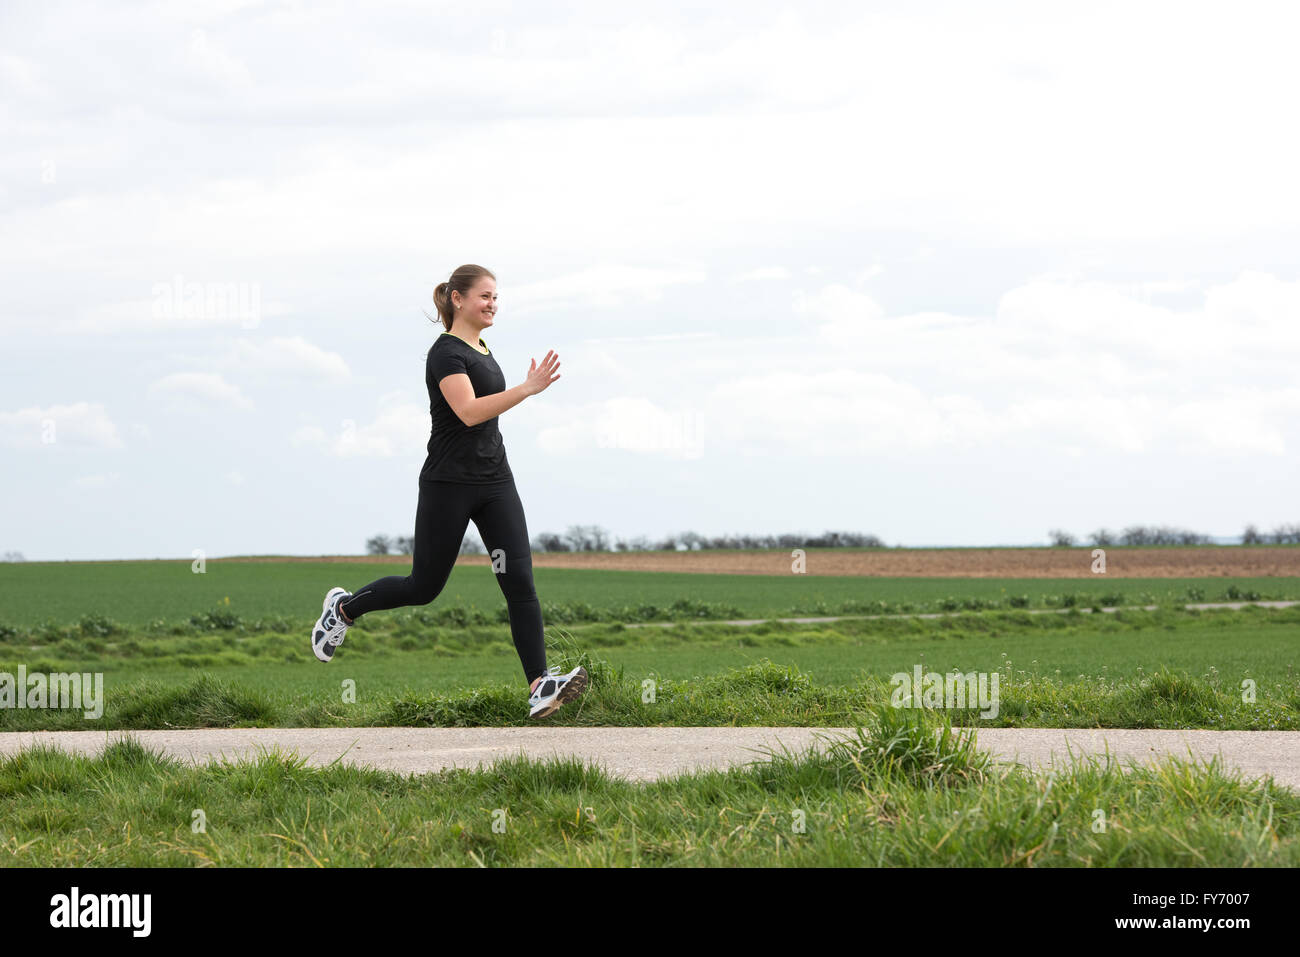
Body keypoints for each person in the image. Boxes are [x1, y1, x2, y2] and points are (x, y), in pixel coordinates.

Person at [310, 264, 587, 719]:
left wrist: (522, 390)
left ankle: (539, 686)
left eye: (496, 297)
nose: (493, 303)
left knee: (519, 583)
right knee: (423, 586)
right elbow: (469, 412)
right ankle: (343, 609)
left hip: (496, 482)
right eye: (485, 296)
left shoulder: (482, 347)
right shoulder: (444, 353)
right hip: (448, 485)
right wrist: (527, 389)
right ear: (458, 299)